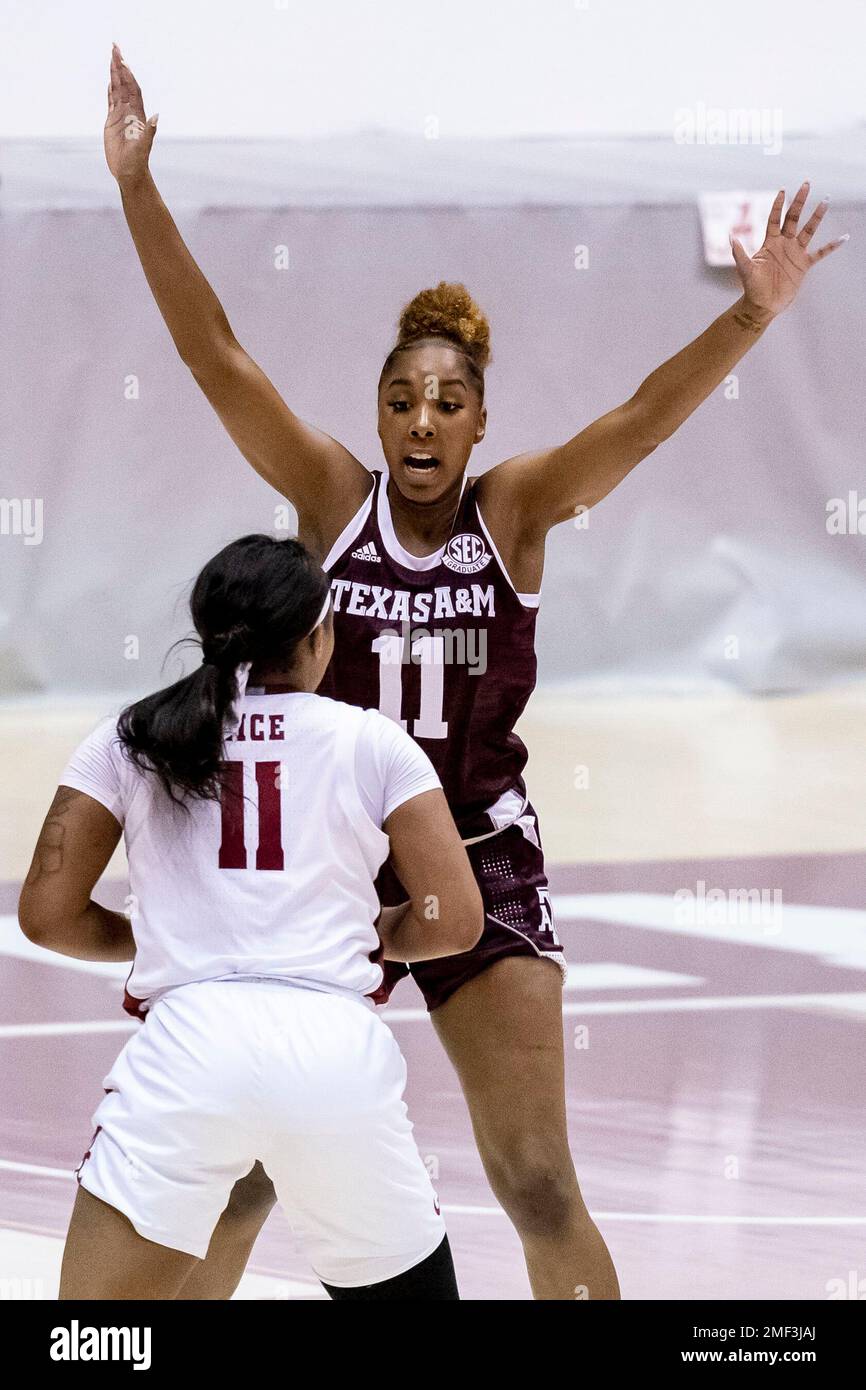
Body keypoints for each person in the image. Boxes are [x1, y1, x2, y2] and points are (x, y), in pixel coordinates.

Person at [103, 43, 846, 1300]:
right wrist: (133, 185)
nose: (421, 422)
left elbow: (640, 420)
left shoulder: (515, 515)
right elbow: (217, 359)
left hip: (482, 853)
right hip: (335, 862)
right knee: (245, 1174)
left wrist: (752, 309)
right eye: (400, 401)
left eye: (446, 402)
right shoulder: (331, 499)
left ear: (479, 421)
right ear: (380, 416)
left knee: (537, 1180)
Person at [18, 534, 483, 1300]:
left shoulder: (132, 737)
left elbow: (46, 915)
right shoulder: (375, 743)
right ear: (316, 636)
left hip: (187, 1055)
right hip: (335, 1058)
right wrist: (384, 934)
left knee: (93, 1345)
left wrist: (166, 935)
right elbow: (455, 921)